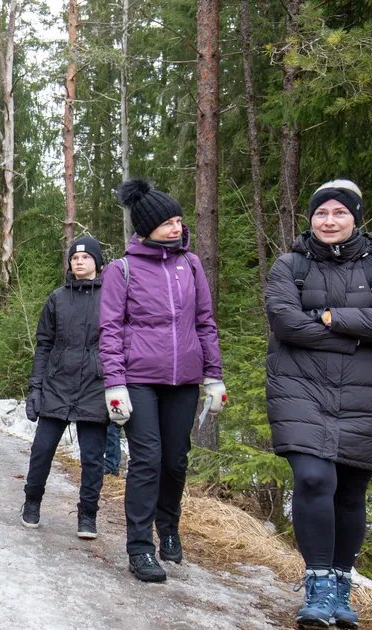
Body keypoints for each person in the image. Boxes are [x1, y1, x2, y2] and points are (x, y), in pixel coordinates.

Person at [264, 180, 372, 628]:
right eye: (321, 213)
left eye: (339, 213)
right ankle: (318, 586)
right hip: (300, 388)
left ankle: (342, 588)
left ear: (356, 218)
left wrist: (331, 317)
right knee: (313, 478)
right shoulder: (290, 265)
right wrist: (356, 338)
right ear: (310, 218)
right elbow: (286, 323)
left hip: (368, 394)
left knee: (349, 491)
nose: (329, 221)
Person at [99, 179, 225, 584]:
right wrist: (114, 384)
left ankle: (168, 526)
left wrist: (213, 376)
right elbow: (110, 330)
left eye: (178, 220)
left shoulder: (191, 265)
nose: (177, 228)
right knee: (147, 460)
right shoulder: (122, 270)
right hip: (138, 380)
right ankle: (139, 547)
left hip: (184, 379)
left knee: (175, 461)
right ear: (146, 227)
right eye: (168, 222)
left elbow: (205, 322)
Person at [21, 235, 109, 539]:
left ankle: (88, 515)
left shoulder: (111, 297)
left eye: (86, 257)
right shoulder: (57, 298)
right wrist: (35, 388)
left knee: (93, 458)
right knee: (42, 450)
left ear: (97, 262)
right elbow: (43, 346)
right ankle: (32, 502)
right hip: (57, 384)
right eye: (74, 258)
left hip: (96, 387)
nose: (79, 262)